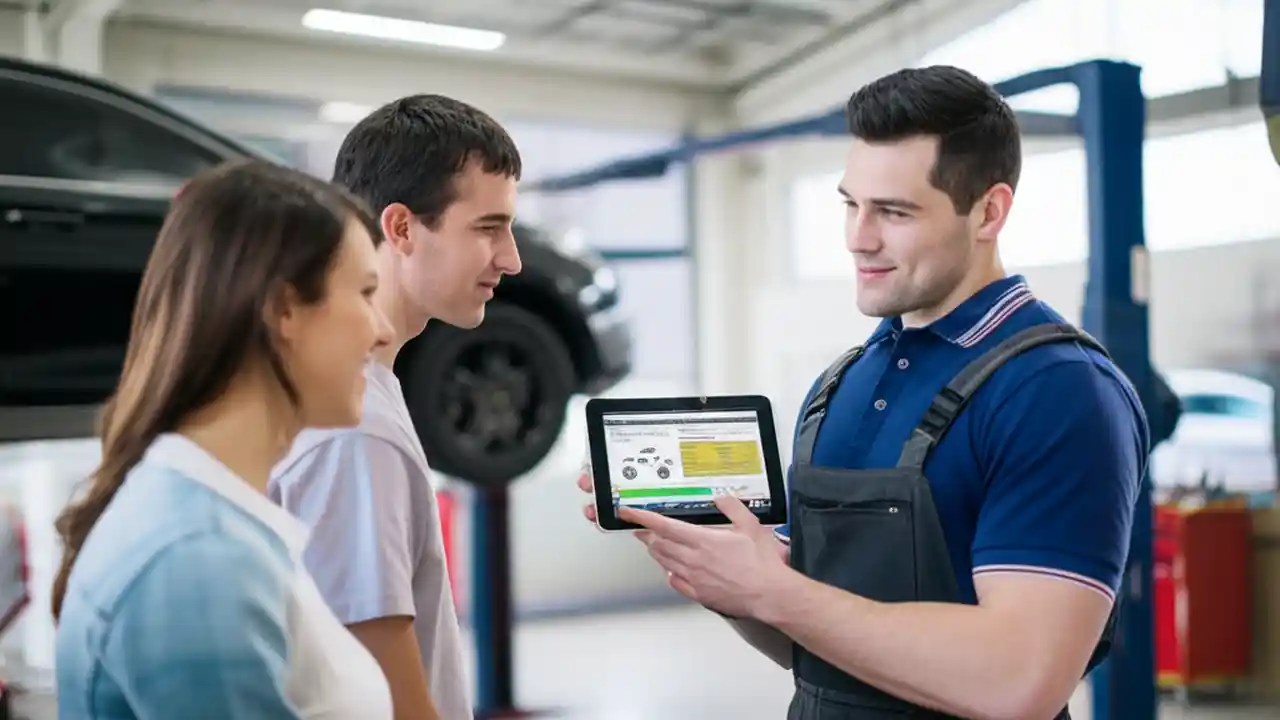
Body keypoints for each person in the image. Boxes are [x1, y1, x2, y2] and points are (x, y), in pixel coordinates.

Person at [579, 65, 1150, 720]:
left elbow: (1020, 680)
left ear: (988, 211)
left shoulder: (1058, 391)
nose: (859, 237)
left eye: (894, 212)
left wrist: (777, 593)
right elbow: (818, 644)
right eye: (851, 204)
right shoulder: (842, 385)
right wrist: (717, 571)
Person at [52, 159, 396, 719]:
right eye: (364, 292)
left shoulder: (208, 524)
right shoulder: (197, 561)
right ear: (283, 308)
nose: (380, 329)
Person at [269, 94, 523, 720]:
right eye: (488, 228)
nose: (511, 259)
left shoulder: (369, 387)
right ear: (402, 227)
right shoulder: (356, 427)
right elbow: (370, 681)